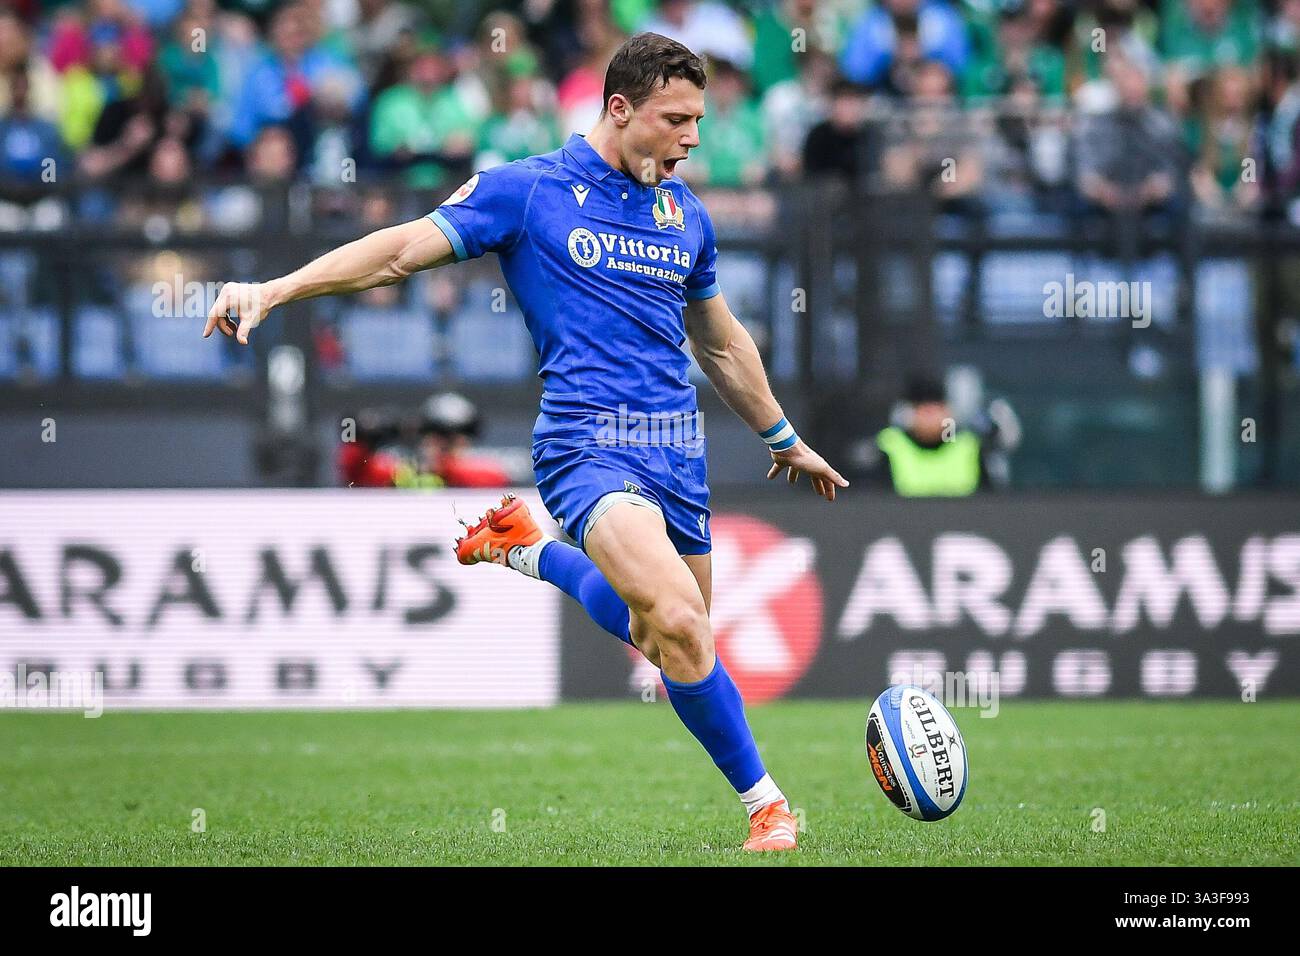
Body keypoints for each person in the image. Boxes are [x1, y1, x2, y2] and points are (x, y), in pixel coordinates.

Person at [203, 33, 847, 852]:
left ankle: (529, 552)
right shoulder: (529, 190)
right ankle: (768, 804)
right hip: (588, 446)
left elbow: (719, 344)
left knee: (671, 639)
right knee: (682, 623)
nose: (694, 139)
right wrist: (276, 287)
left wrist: (783, 436)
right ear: (620, 109)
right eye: (677, 120)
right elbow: (401, 251)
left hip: (676, 449)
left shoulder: (685, 213)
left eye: (698, 120)